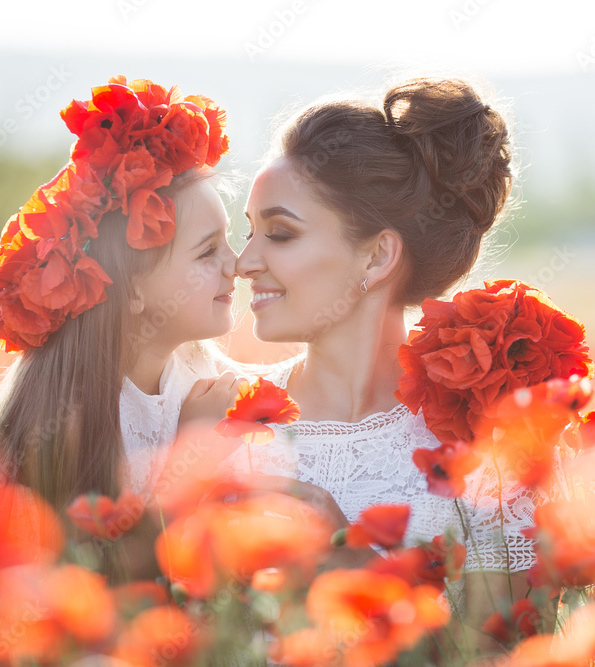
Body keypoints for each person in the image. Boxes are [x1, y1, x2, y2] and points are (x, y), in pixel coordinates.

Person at [230, 76, 539, 652]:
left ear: (376, 255)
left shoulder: (481, 452)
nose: (243, 262)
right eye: (249, 233)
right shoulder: (225, 424)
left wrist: (341, 558)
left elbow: (497, 655)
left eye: (279, 233)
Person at [0, 77, 243, 520]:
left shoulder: (205, 377)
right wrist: (195, 448)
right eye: (208, 251)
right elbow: (111, 575)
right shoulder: (69, 421)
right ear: (134, 290)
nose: (236, 264)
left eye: (229, 242)